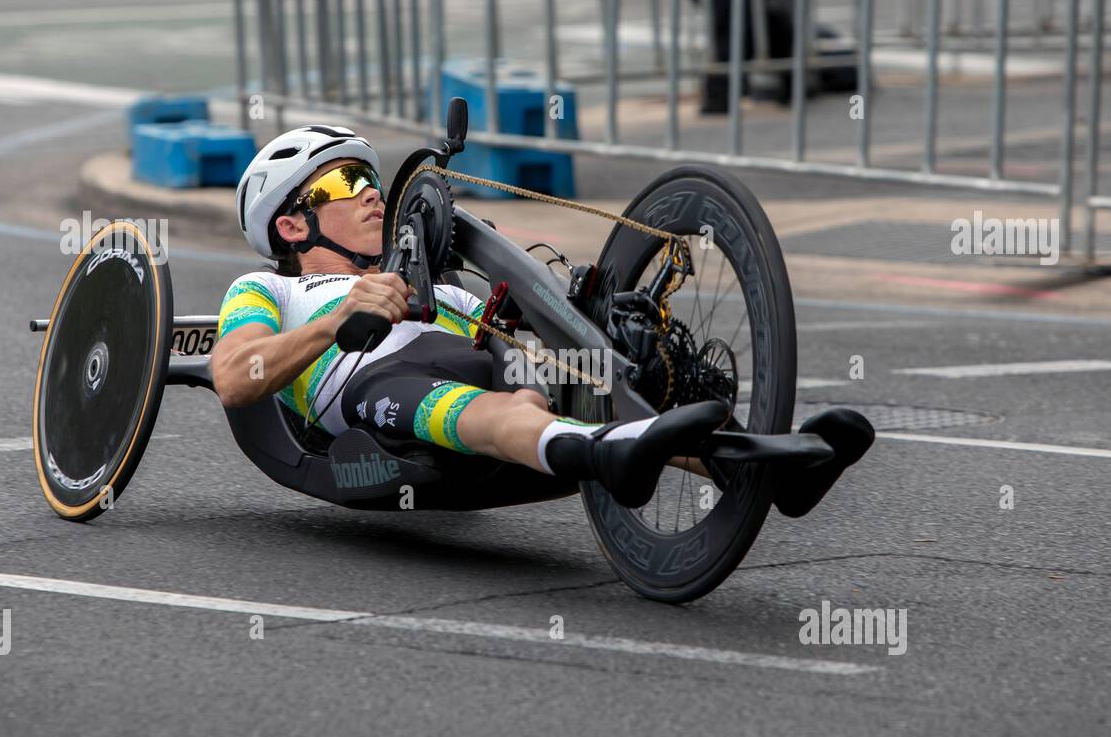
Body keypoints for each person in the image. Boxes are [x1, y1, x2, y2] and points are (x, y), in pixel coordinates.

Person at [212, 124, 870, 514]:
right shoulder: (267, 290)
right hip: (373, 388)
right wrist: (336, 322)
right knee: (494, 407)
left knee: (560, 377)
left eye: (366, 178)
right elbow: (237, 377)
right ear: (291, 224)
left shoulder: (426, 283)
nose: (367, 193)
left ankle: (769, 468)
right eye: (336, 185)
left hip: (469, 355)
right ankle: (606, 454)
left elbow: (520, 340)